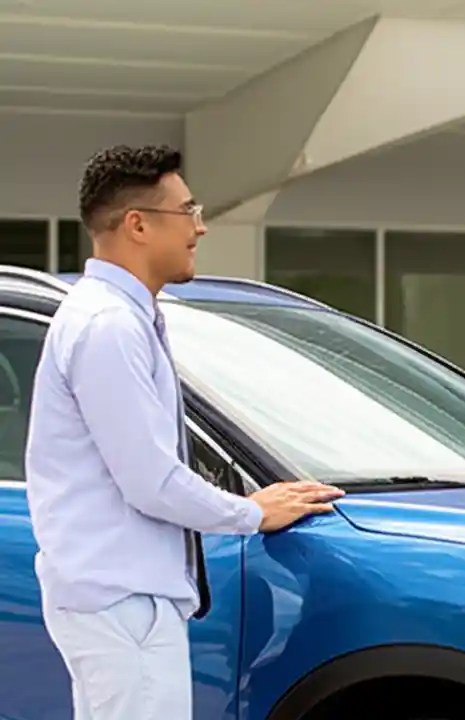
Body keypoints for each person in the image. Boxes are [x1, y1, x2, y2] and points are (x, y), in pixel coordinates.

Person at [24, 144, 346, 720]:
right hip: (122, 602)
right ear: (138, 225)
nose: (200, 228)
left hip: (120, 599)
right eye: (188, 212)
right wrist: (251, 512)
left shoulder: (123, 317)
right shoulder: (109, 326)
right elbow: (151, 480)